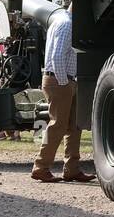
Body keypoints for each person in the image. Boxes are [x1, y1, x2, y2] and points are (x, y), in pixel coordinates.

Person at [31, 10, 95, 183]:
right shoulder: (67, 24)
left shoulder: (61, 21)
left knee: (75, 126)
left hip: (64, 79)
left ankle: (72, 169)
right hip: (61, 80)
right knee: (58, 125)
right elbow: (57, 56)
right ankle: (41, 167)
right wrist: (64, 82)